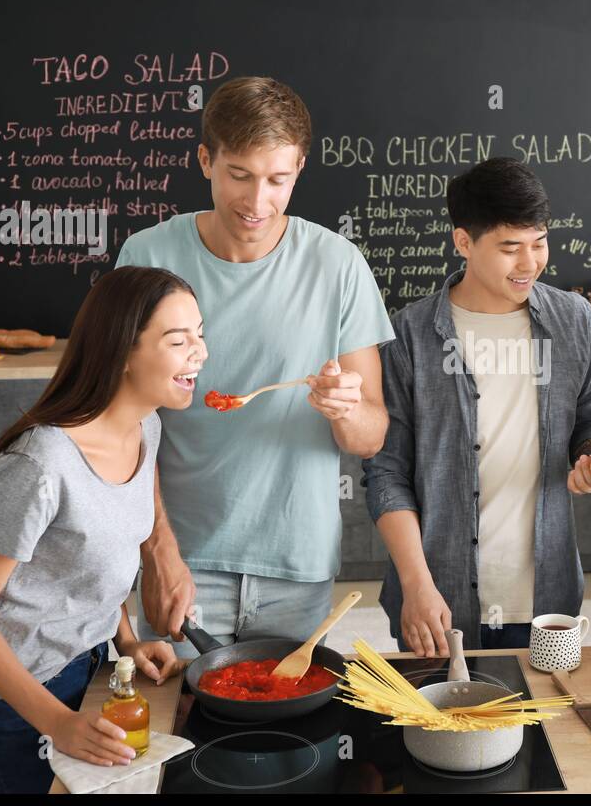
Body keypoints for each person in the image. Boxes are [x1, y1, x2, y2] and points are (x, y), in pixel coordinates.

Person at [116, 76, 394, 656]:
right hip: (181, 555)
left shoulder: (339, 265)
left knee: (287, 735)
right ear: (205, 160)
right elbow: (121, 425)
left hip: (297, 564)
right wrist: (157, 550)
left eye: (277, 180)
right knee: (179, 734)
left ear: (299, 170)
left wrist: (345, 410)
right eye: (239, 175)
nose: (257, 201)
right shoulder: (146, 257)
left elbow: (371, 436)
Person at [0, 267, 198, 793]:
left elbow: (95, 555)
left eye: (200, 334)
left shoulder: (146, 426)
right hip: (4, 707)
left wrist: (126, 641)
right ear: (123, 351)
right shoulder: (40, 467)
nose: (200, 352)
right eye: (179, 340)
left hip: (92, 670)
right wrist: (56, 723)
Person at [364, 158, 591, 654]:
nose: (530, 262)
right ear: (463, 242)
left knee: (543, 728)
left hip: (548, 598)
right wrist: (416, 584)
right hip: (435, 599)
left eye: (539, 242)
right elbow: (386, 471)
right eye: (510, 247)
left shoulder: (575, 321)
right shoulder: (409, 336)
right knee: (438, 728)